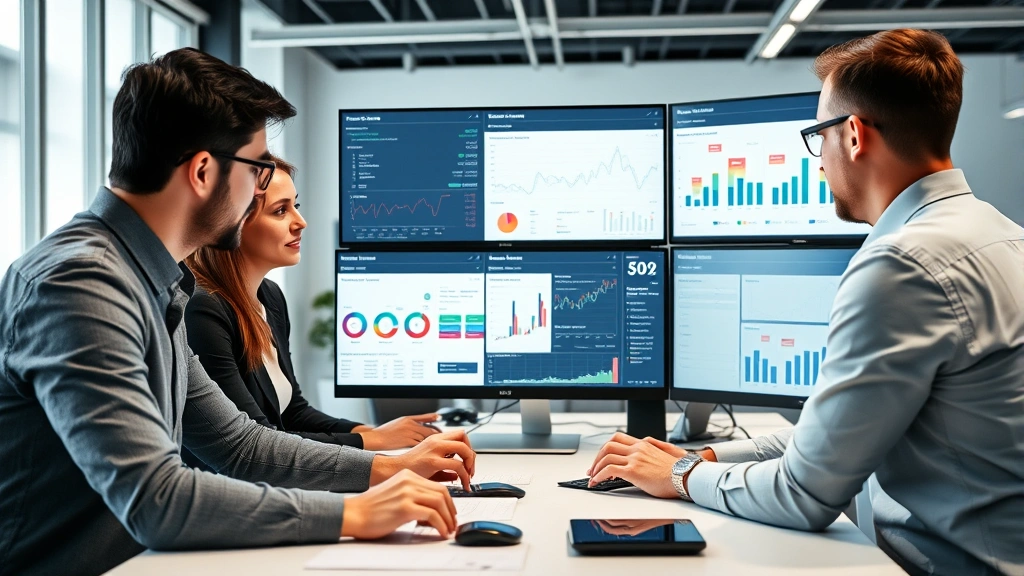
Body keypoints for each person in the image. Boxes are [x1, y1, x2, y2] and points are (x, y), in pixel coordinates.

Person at [0, 48, 474, 576]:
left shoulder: (156, 280)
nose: (258, 189)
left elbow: (240, 445)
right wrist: (354, 511)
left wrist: (388, 467)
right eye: (257, 169)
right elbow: (157, 500)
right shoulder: (79, 283)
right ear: (203, 171)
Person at [588, 29, 1023, 576]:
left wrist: (679, 479)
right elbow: (843, 432)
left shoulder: (901, 263)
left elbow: (804, 494)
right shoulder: (1003, 234)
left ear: (855, 136)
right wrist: (705, 457)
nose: (819, 159)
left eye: (818, 136)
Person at [183, 157, 439, 452]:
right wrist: (368, 442)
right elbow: (254, 442)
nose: (300, 222)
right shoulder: (202, 309)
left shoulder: (270, 296)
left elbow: (292, 413)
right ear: (231, 225)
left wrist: (372, 432)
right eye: (280, 211)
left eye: (296, 206)